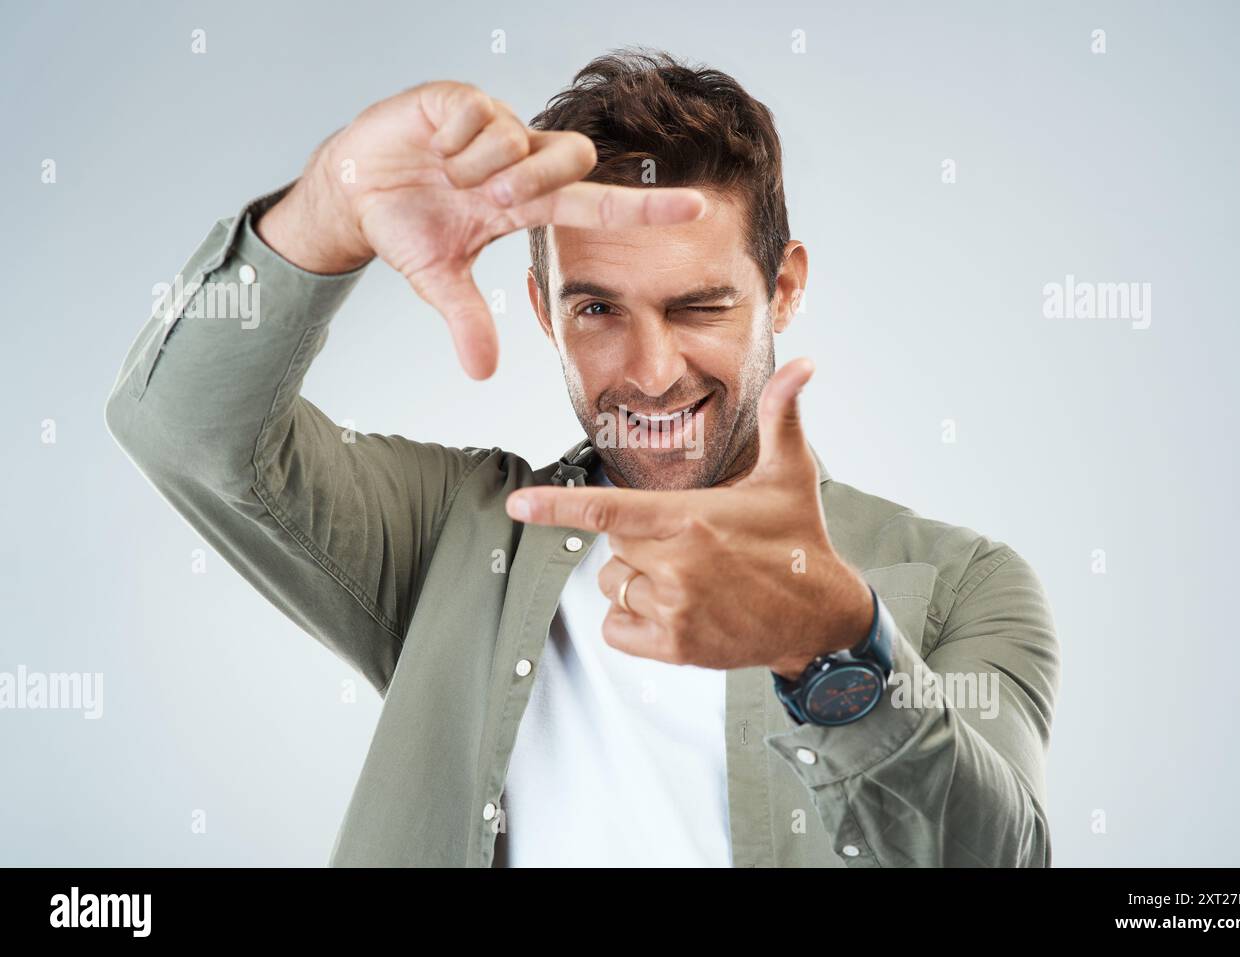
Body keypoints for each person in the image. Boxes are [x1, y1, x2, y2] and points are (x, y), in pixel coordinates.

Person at [106, 50, 1060, 867]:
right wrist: (329, 206)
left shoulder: (961, 584)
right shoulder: (457, 536)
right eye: (597, 309)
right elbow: (184, 428)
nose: (649, 374)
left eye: (700, 306)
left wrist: (839, 650)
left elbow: (999, 850)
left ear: (784, 287)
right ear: (540, 309)